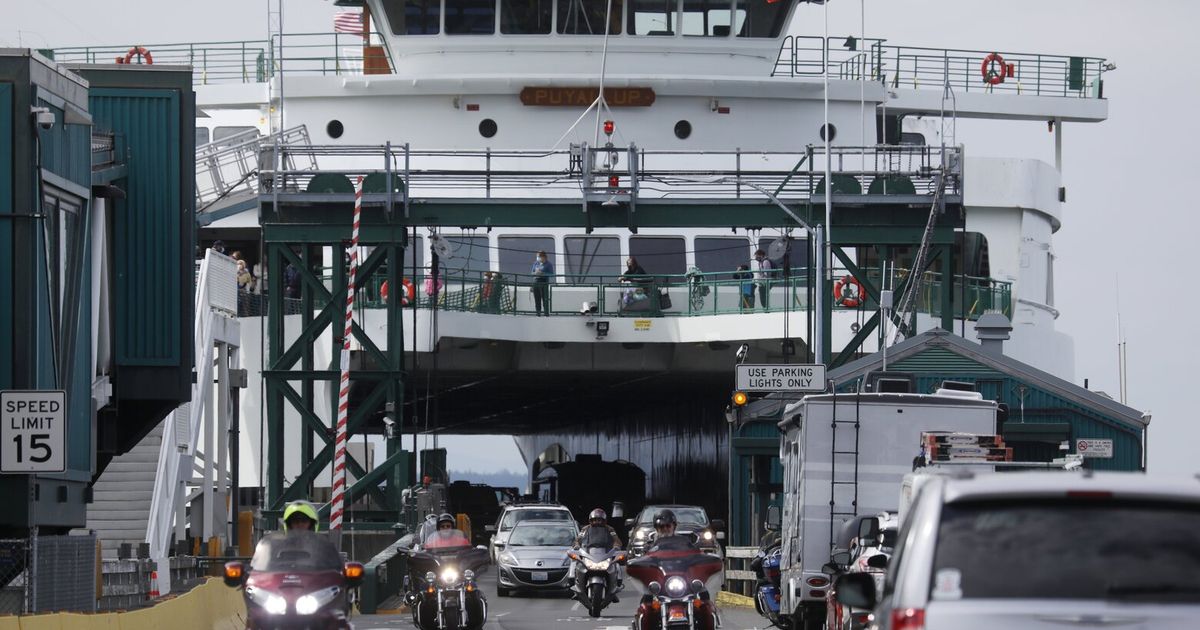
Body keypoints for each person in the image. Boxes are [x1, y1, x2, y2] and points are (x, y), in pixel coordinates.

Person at [531, 251, 554, 316]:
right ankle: (538, 312)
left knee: (545, 298)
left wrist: (543, 273)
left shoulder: (548, 264)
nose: (538, 258)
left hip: (544, 282)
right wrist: (535, 273)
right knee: (537, 297)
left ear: (543, 257)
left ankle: (546, 312)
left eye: (539, 256)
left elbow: (551, 274)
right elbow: (532, 272)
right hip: (536, 281)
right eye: (537, 257)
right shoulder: (535, 263)